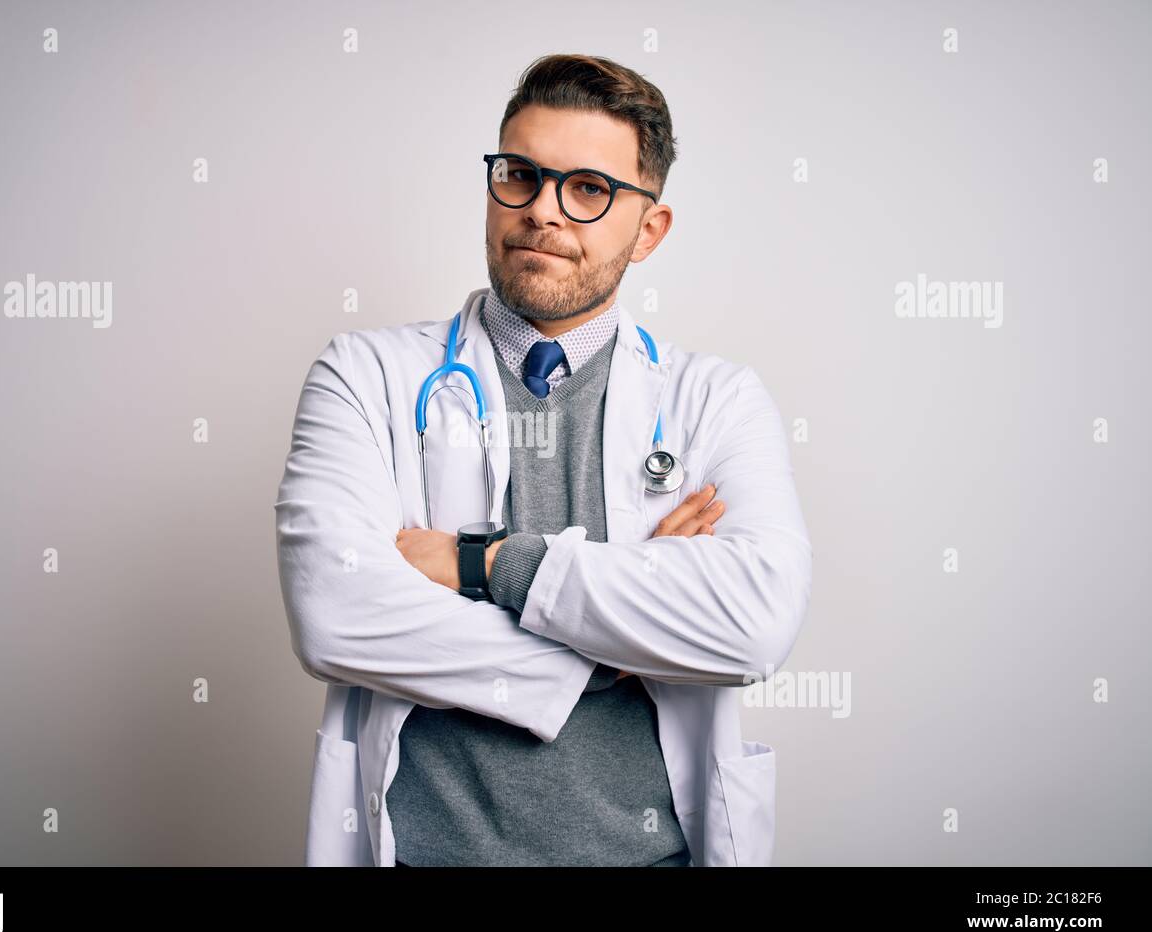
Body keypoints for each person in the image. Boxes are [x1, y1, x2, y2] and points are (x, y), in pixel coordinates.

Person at [275, 53, 812, 867]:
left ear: (649, 229)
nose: (542, 211)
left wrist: (486, 564)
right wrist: (615, 647)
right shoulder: (365, 375)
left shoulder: (717, 401)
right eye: (520, 176)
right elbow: (334, 615)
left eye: (588, 188)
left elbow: (754, 626)